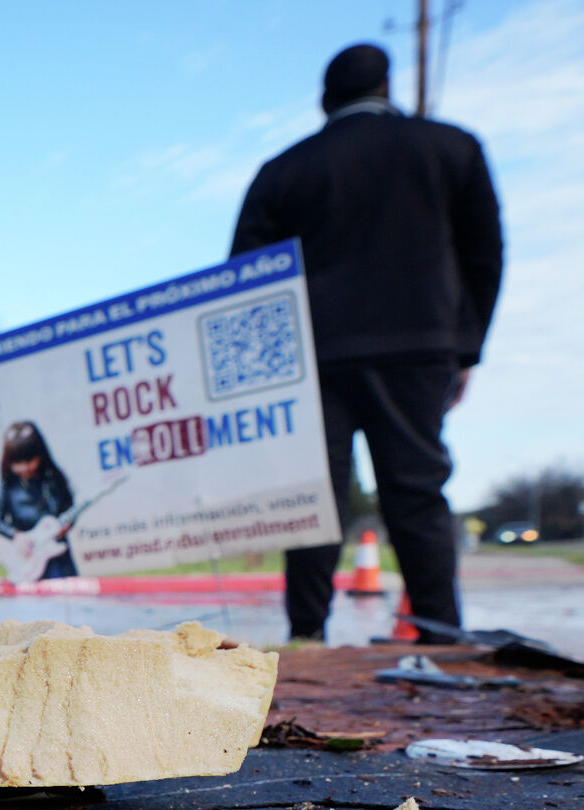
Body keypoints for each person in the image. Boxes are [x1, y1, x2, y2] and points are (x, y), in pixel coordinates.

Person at [231, 42, 503, 642]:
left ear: (325, 100)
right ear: (385, 86)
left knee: (312, 499)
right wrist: (466, 347)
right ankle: (440, 636)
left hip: (311, 358)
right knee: (417, 492)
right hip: (419, 347)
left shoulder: (284, 170)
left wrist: (260, 376)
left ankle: (306, 638)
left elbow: (244, 278)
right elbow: (485, 255)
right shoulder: (451, 147)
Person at [0, 421, 78, 579]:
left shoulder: (54, 479)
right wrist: (16, 535)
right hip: (27, 556)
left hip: (56, 553)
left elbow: (69, 507)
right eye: (17, 463)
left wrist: (68, 524)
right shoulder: (9, 486)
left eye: (29, 461)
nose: (24, 468)